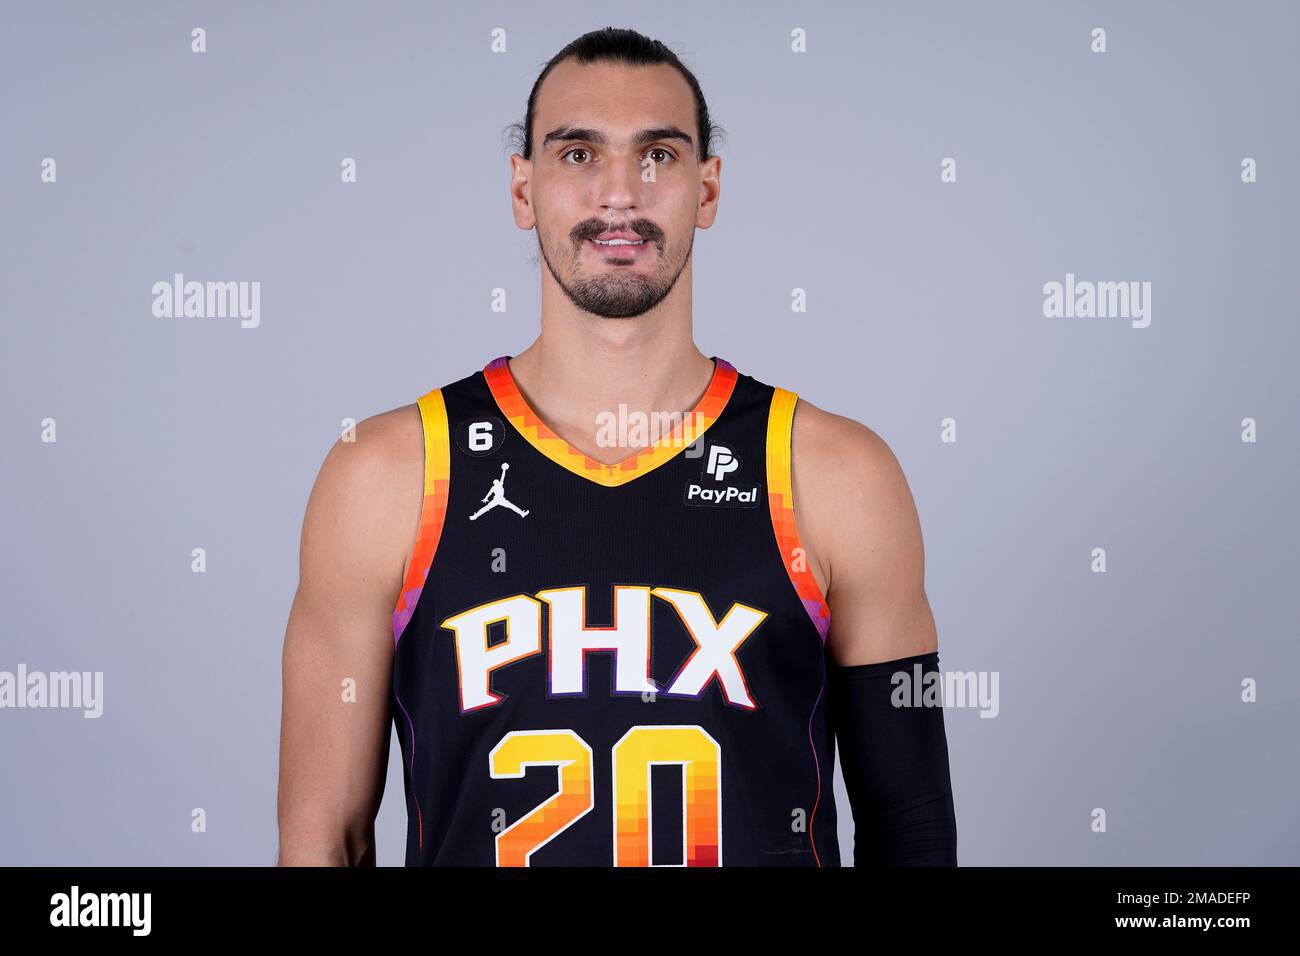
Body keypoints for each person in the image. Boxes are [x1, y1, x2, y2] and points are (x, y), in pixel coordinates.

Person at [277, 27, 956, 867]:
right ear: (523, 190)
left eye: (659, 156)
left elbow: (913, 831)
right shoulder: (386, 476)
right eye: (577, 154)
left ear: (707, 188)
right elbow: (319, 844)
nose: (620, 195)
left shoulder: (837, 476)